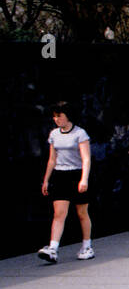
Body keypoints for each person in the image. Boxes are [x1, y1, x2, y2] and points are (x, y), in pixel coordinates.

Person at [37, 102, 94, 263]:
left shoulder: (80, 133)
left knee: (82, 213)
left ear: (67, 115)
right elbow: (52, 159)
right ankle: (53, 248)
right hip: (60, 175)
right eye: (54, 116)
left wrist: (84, 179)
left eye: (59, 116)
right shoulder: (54, 134)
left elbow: (86, 158)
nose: (56, 119)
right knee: (59, 214)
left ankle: (87, 246)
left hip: (76, 174)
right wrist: (46, 180)